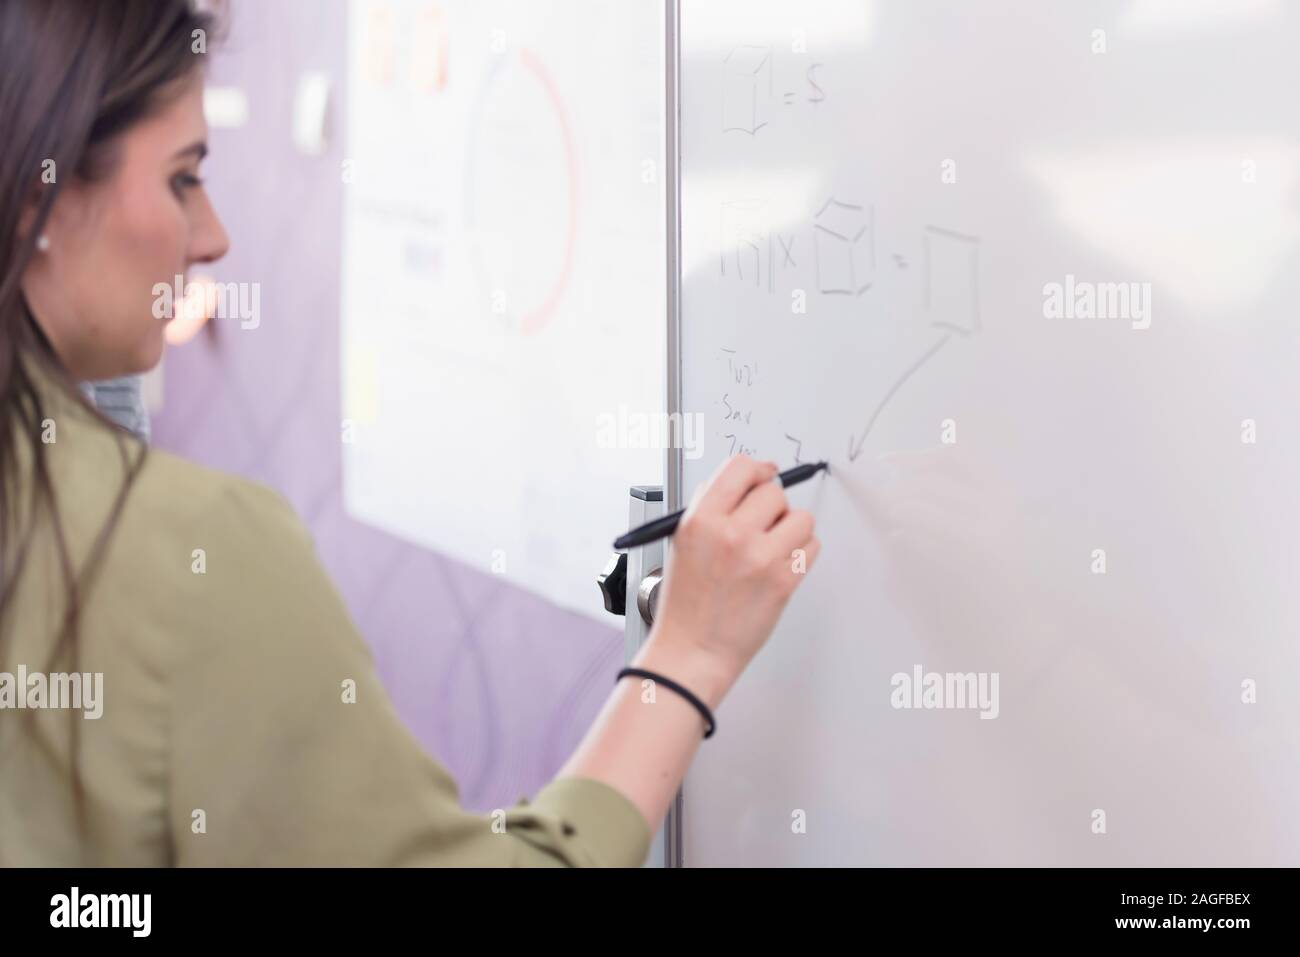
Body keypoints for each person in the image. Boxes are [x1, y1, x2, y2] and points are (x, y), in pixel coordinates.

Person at [0, 0, 819, 866]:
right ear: (34, 200)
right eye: (180, 178)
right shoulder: (188, 548)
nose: (213, 236)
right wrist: (686, 652)